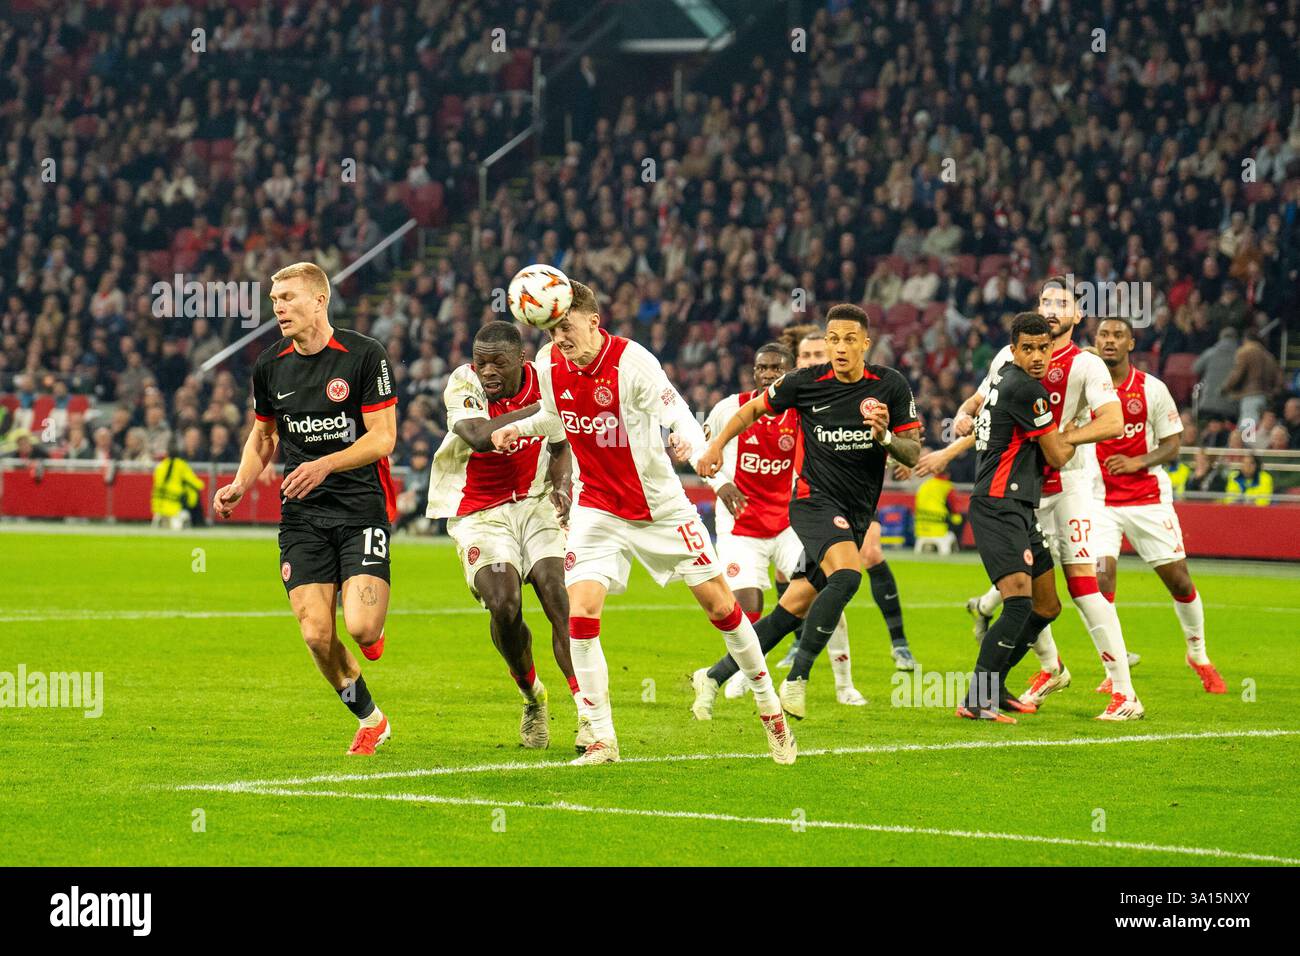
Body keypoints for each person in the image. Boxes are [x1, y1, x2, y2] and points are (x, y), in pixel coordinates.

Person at [491, 281, 796, 766]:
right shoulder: (549, 364)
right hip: (597, 508)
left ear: (593, 320)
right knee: (581, 617)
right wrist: (517, 428)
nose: (558, 339)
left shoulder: (633, 362)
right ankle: (602, 739)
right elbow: (557, 418)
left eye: (565, 327)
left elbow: (678, 416)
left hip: (659, 508)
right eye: (550, 331)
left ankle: (769, 709)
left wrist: (702, 455)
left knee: (721, 608)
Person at [917, 275, 1142, 719]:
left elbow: (1112, 422)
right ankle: (1036, 671)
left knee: (1076, 587)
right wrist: (958, 426)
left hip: (1068, 481)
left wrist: (1061, 437)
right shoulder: (1009, 360)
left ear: (1078, 315)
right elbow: (985, 413)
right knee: (1029, 597)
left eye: (1062, 302)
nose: (1053, 308)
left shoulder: (1087, 365)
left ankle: (1123, 691)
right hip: (1020, 490)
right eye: (1045, 300)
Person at [695, 303, 922, 720]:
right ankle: (797, 679)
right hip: (812, 503)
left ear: (865, 344)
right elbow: (751, 410)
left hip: (855, 512)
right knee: (849, 575)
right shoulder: (805, 383)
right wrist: (714, 446)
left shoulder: (890, 385)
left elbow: (911, 450)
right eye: (833, 339)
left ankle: (713, 676)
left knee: (791, 608)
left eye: (849, 339)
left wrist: (886, 436)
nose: (839, 347)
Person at [212, 262, 399, 755]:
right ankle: (371, 719)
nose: (279, 308)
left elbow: (383, 438)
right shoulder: (270, 365)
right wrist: (239, 482)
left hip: (359, 509)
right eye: (275, 301)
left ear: (320, 301)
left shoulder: (363, 355)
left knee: (360, 627)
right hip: (302, 516)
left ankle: (370, 630)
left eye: (289, 298)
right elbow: (264, 435)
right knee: (317, 634)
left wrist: (325, 465)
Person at [426, 320, 589, 751]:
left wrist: (562, 483)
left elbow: (560, 445)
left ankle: (589, 712)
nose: (488, 372)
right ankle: (532, 696)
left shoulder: (546, 378)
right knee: (504, 604)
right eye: (482, 362)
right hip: (480, 511)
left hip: (536, 503)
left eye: (498, 363)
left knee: (559, 596)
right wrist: (544, 411)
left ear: (521, 359)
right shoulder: (463, 382)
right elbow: (481, 437)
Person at [690, 343, 867, 718]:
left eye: (776, 368)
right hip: (740, 527)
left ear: (789, 372)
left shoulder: (802, 411)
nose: (769, 374)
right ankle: (740, 673)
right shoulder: (728, 408)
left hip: (789, 523)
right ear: (754, 373)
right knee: (747, 607)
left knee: (827, 589)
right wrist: (719, 484)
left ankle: (844, 683)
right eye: (762, 368)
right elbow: (701, 451)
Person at [1091, 317, 1226, 694]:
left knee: (1179, 580)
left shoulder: (1151, 389)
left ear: (1131, 343)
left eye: (1118, 335)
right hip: (1099, 503)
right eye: (1103, 335)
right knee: (1101, 579)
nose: (1110, 341)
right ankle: (1114, 669)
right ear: (1096, 340)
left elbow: (1173, 444)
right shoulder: (1085, 389)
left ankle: (1197, 654)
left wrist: (1137, 462)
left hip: (1147, 500)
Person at [775, 328, 919, 672]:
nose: (813, 361)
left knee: (867, 554)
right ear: (797, 363)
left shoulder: (852, 391)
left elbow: (902, 436)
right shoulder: (795, 395)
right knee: (796, 576)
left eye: (817, 355)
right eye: (806, 357)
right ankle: (798, 649)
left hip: (850, 499)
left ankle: (899, 644)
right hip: (805, 498)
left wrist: (899, 458)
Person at [959, 313, 1074, 722]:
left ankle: (996, 686)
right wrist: (1077, 430)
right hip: (998, 505)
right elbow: (1057, 454)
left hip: (1019, 506)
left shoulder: (1002, 378)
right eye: (1029, 348)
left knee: (1046, 606)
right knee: (1018, 604)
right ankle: (977, 698)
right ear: (1014, 349)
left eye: (1044, 347)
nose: (1038, 355)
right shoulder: (1026, 390)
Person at [150, 440, 204, 529]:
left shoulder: (160, 466)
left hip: (157, 508)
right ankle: (198, 523)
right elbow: (198, 485)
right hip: (174, 508)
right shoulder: (181, 466)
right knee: (192, 493)